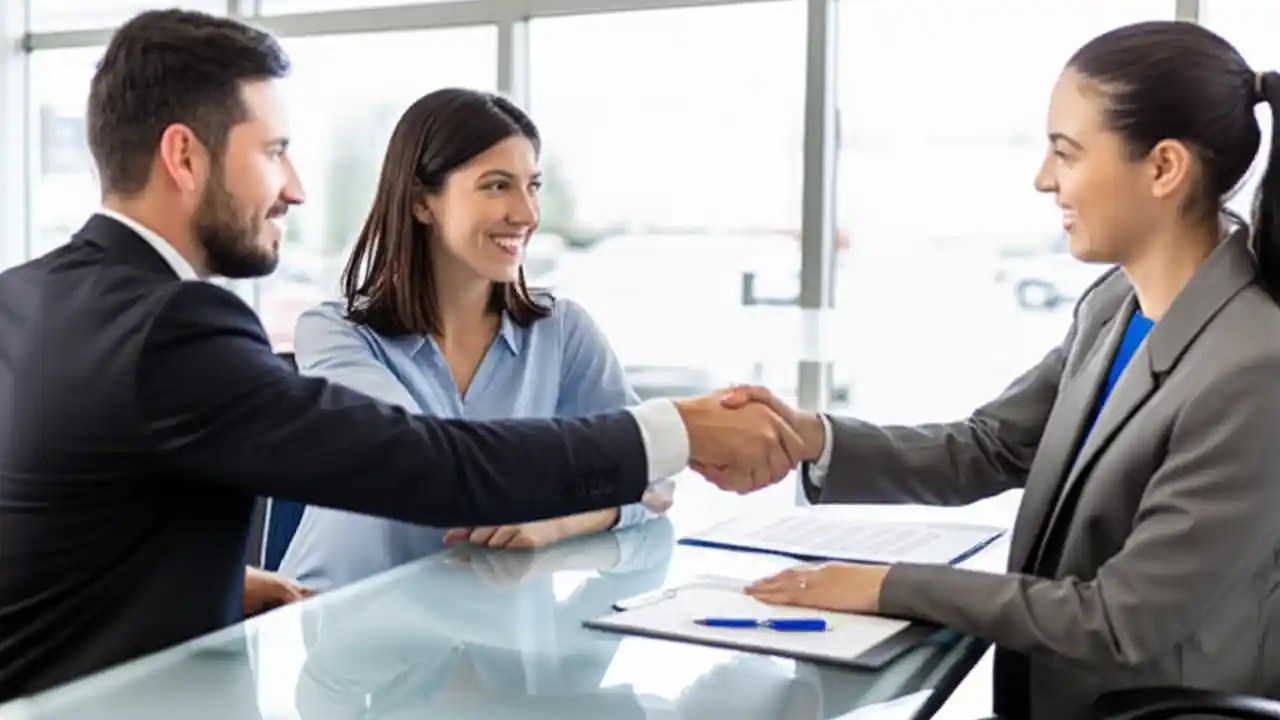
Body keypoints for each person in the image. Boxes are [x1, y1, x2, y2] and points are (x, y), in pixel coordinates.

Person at [0, 9, 804, 702]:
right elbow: (427, 464)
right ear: (185, 157)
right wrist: (678, 429)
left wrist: (201, 584)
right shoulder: (182, 323)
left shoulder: (24, 296)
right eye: (274, 150)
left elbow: (53, 505)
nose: (296, 188)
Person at [718, 20, 1280, 719]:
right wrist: (816, 438)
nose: (1044, 179)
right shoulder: (1114, 305)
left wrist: (886, 585)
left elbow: (1118, 620)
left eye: (1066, 153)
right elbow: (991, 446)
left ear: (1164, 168)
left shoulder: (1256, 366)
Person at [278, 89, 673, 591]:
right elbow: (419, 462)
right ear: (423, 201)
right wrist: (571, 479)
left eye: (532, 185)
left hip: (497, 630)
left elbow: (652, 480)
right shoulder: (336, 333)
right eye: (496, 186)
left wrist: (557, 521)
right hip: (351, 625)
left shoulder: (563, 333)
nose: (527, 213)